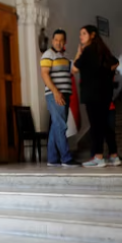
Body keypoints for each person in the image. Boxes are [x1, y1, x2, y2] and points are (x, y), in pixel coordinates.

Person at [73, 25, 120, 168]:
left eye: (83, 34)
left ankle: (98, 157)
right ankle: (114, 156)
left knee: (96, 126)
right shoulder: (102, 50)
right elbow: (116, 62)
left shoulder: (88, 50)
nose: (80, 36)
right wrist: (104, 74)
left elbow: (74, 68)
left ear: (92, 35)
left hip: (93, 95)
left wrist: (78, 52)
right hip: (105, 94)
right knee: (105, 125)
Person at [40, 29, 78, 168]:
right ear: (52, 41)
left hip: (65, 94)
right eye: (56, 40)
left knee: (56, 126)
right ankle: (66, 159)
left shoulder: (65, 56)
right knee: (61, 125)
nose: (58, 43)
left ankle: (52, 159)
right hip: (55, 95)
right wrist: (55, 91)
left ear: (65, 42)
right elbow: (44, 74)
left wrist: (80, 52)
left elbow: (74, 70)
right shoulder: (48, 55)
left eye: (61, 40)